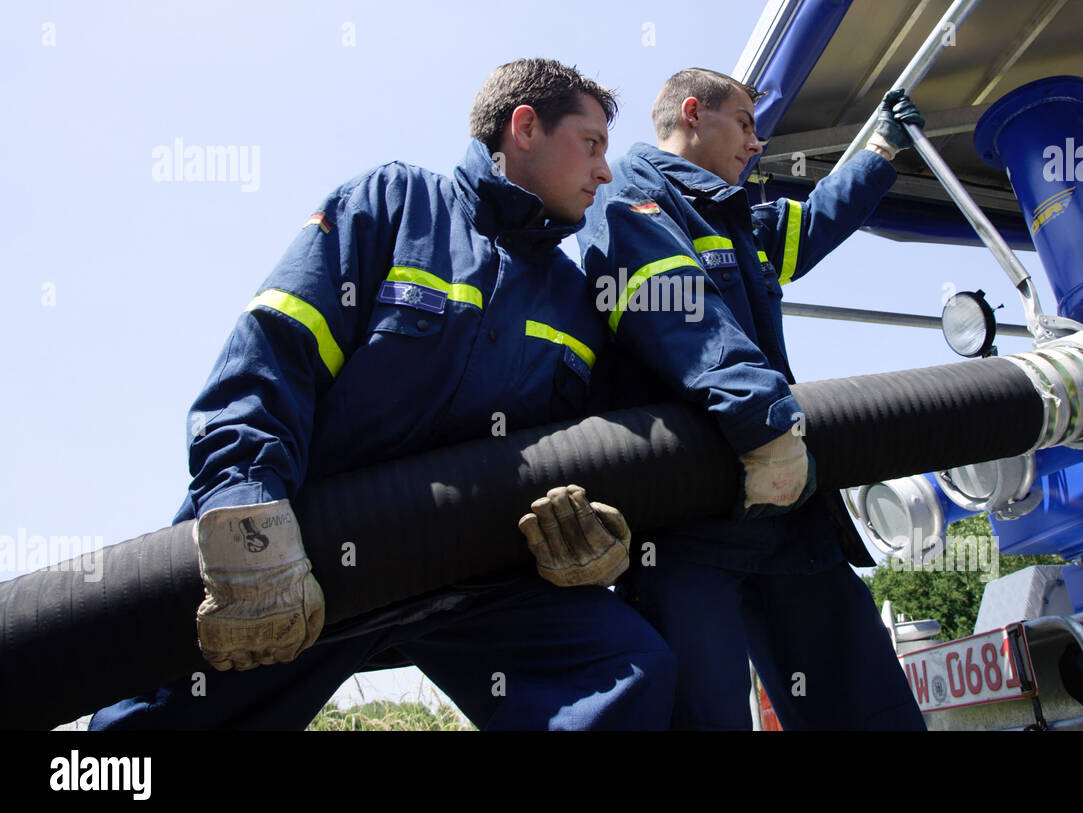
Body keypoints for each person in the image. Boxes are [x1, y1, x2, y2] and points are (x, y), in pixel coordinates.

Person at [91, 59, 675, 730]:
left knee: (624, 667)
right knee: (152, 730)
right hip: (303, 551)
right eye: (591, 144)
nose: (604, 172)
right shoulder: (395, 206)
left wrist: (594, 540)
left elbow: (590, 454)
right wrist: (246, 517)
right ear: (524, 128)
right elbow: (273, 354)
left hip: (474, 572)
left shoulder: (576, 298)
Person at [578, 67, 927, 730]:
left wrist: (879, 154)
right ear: (691, 113)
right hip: (688, 516)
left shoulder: (733, 221)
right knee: (704, 713)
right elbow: (675, 306)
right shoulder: (629, 191)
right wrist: (765, 424)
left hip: (783, 507)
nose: (755, 142)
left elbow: (813, 223)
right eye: (743, 123)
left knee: (860, 700)